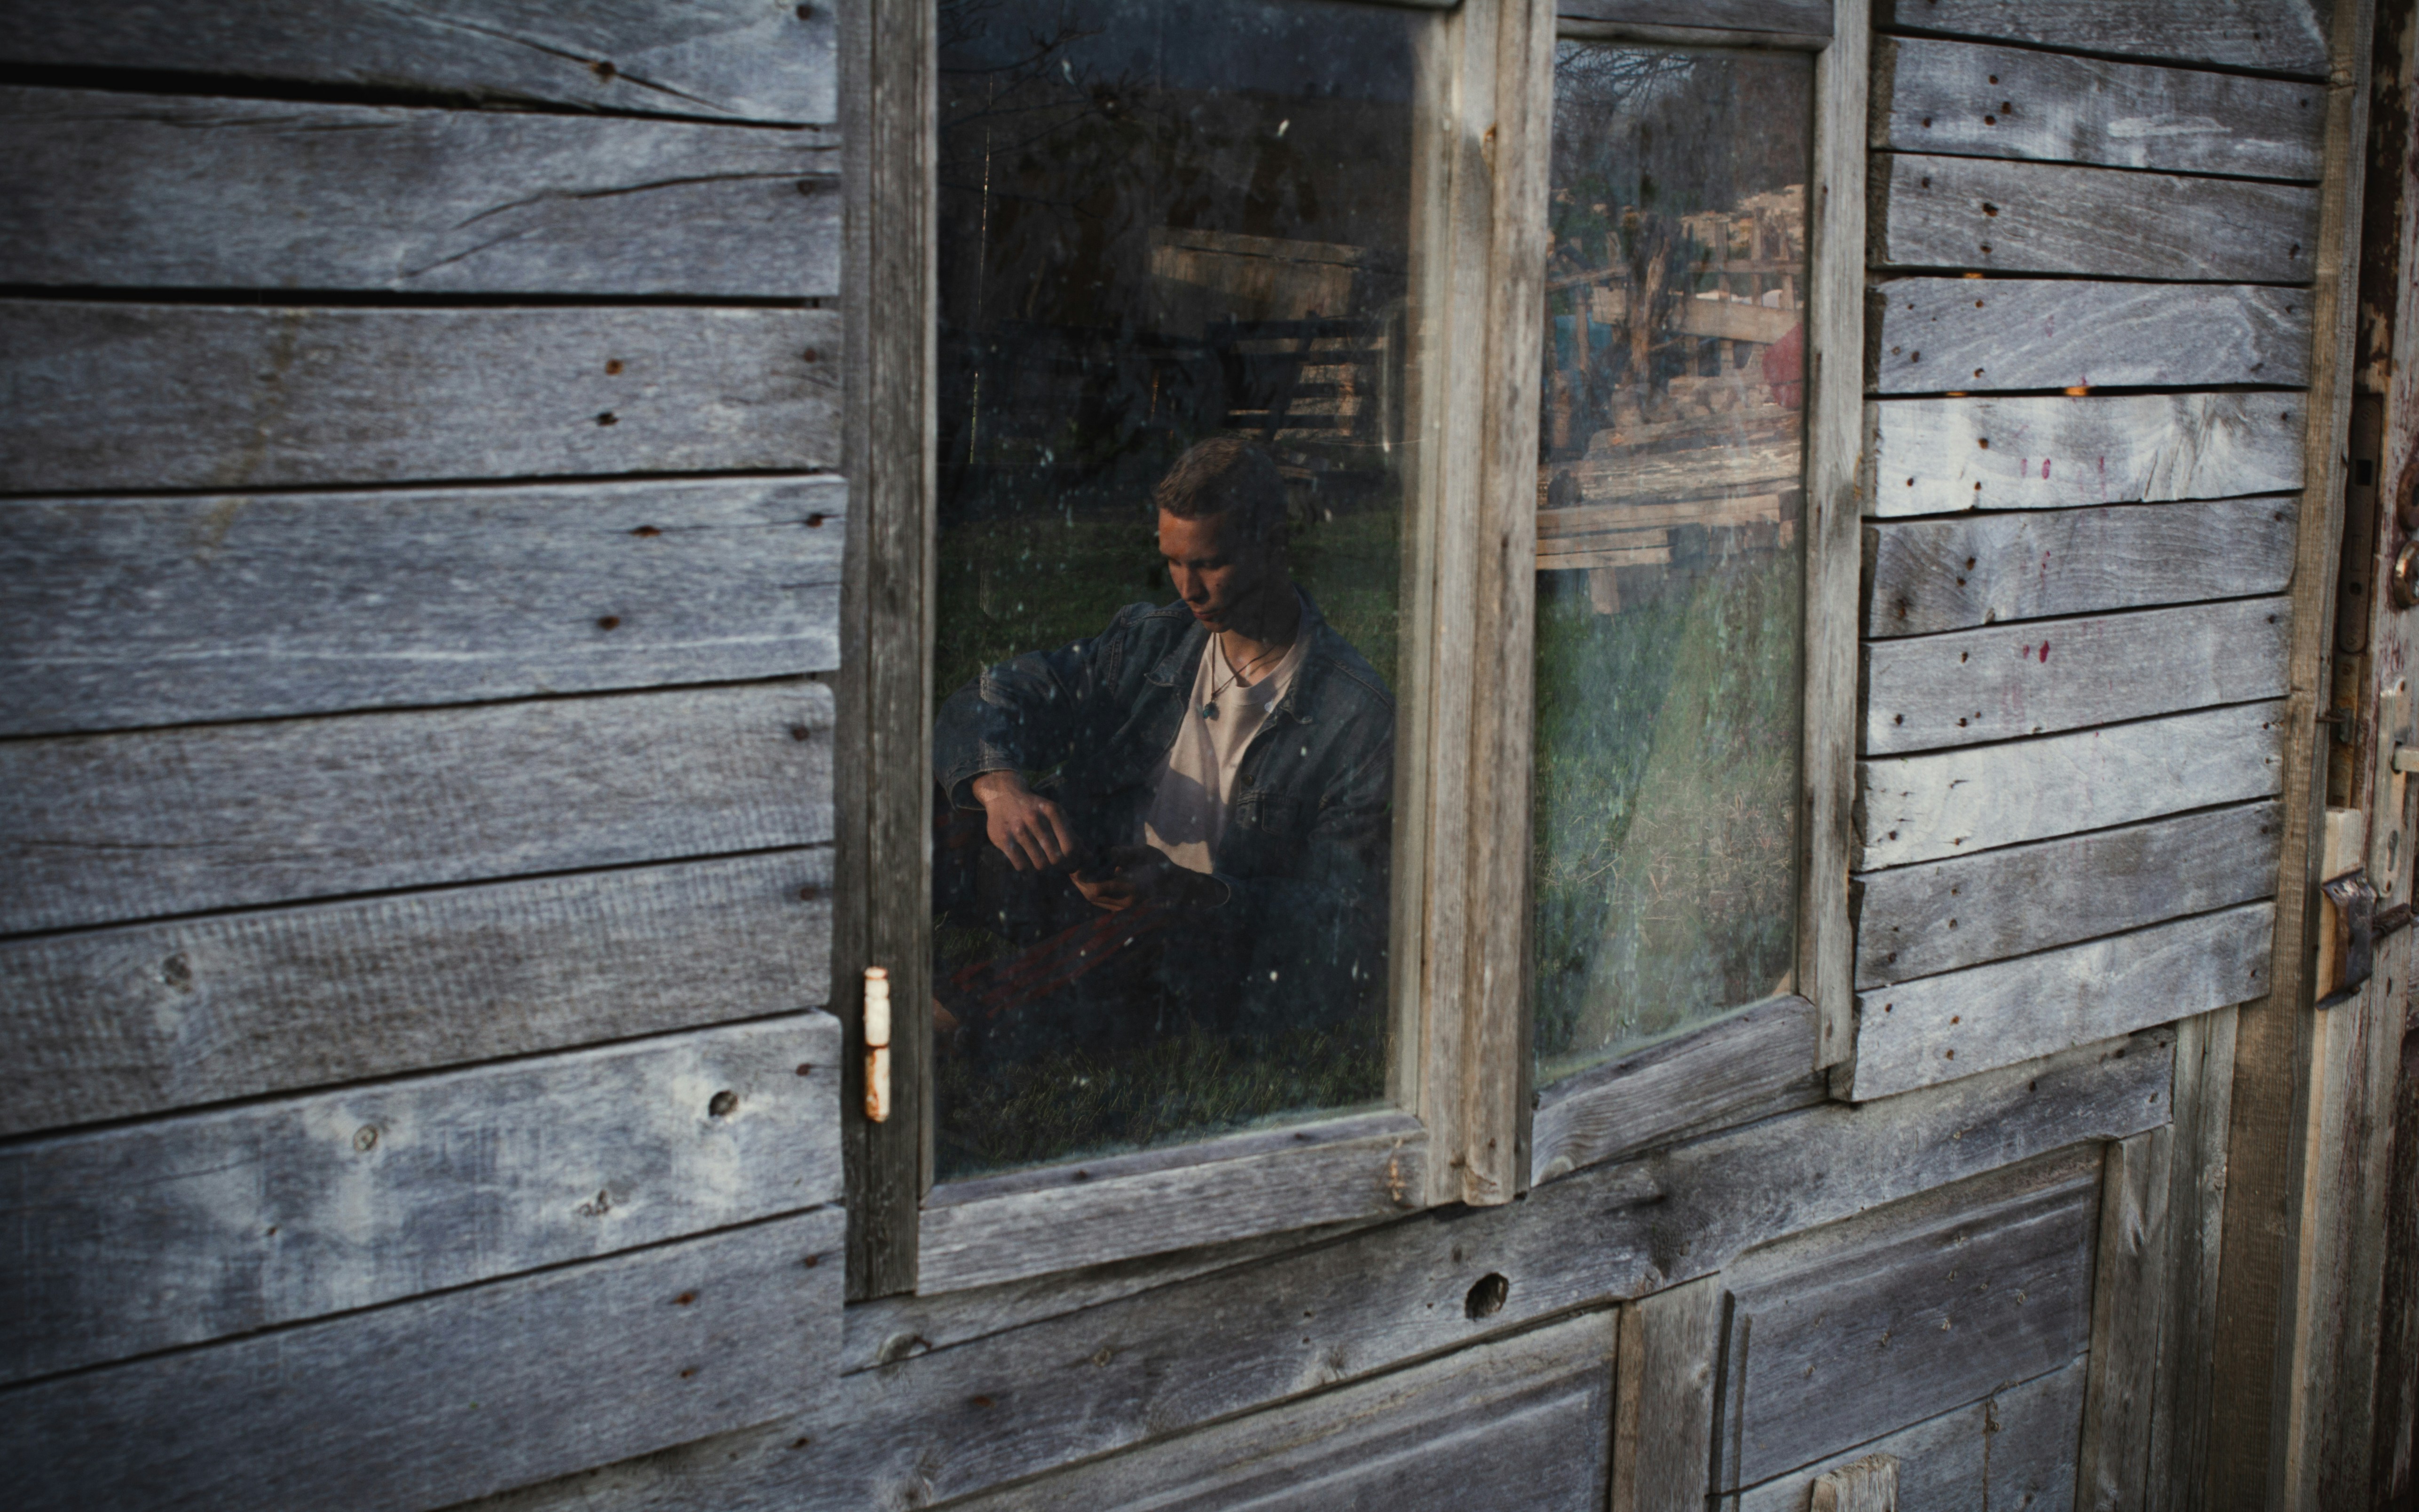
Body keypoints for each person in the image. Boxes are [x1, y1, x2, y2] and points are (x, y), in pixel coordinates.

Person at [931, 436, 1394, 1059]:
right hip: (1098, 874)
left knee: (1148, 926)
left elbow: (1343, 917)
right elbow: (995, 693)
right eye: (1173, 562)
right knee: (942, 824)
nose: (1188, 589)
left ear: (1275, 545)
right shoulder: (1151, 641)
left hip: (1209, 931)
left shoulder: (1356, 714)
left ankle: (935, 1021)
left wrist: (1192, 893)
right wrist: (1000, 789)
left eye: (1210, 563)